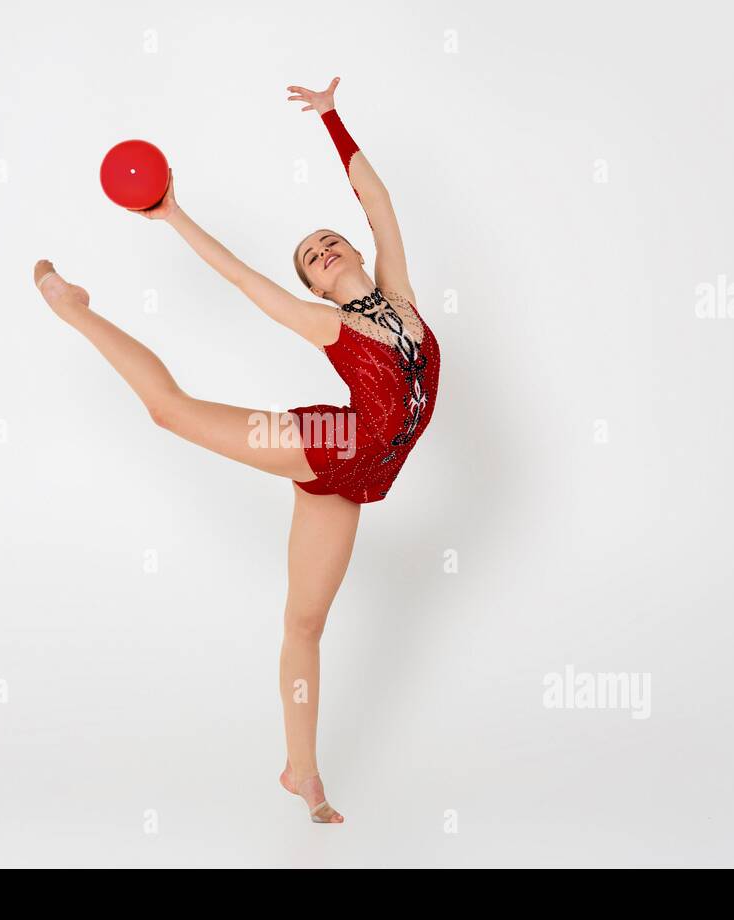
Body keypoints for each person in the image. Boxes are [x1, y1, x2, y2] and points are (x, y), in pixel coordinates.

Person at [33, 77, 441, 823]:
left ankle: (301, 773)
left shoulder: (403, 297)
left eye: (329, 241)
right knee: (171, 412)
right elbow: (244, 279)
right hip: (327, 441)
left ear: (354, 248)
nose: (324, 250)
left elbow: (378, 203)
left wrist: (331, 119)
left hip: (356, 479)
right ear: (316, 289)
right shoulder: (331, 325)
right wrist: (173, 214)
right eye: (312, 258)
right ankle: (74, 311)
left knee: (304, 624)